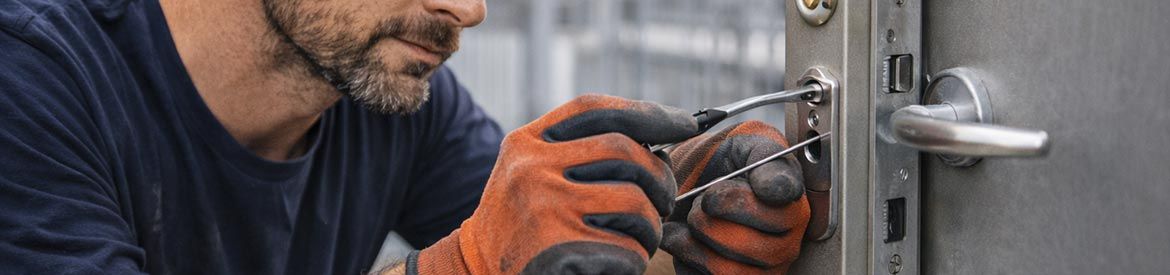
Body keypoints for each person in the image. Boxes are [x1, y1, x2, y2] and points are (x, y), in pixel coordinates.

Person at [0, 0, 809, 274]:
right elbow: (484, 257)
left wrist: (684, 231)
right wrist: (465, 265)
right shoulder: (31, 80)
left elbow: (530, 247)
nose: (470, 9)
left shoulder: (388, 98)